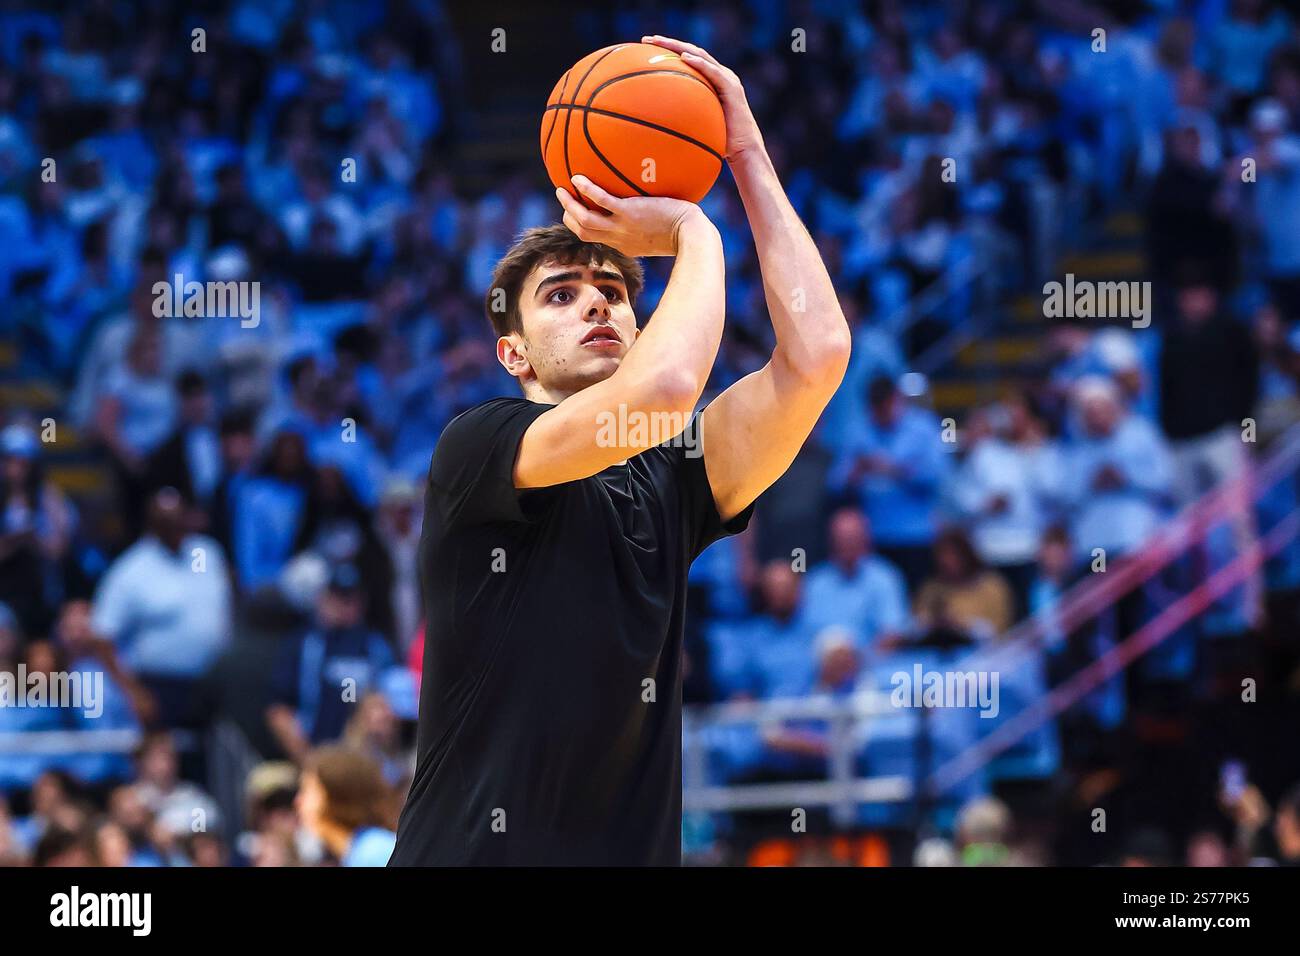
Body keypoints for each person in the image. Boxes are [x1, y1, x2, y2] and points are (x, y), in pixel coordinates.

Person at [390, 36, 851, 866]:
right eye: (560, 296)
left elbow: (817, 356)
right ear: (516, 354)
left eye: (611, 291)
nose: (595, 305)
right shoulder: (478, 446)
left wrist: (742, 153)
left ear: (638, 325)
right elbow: (664, 389)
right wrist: (691, 231)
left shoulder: (673, 478)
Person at [296, 745, 396, 867]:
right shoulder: (358, 853)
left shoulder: (375, 851)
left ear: (337, 795)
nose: (298, 801)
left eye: (308, 790)